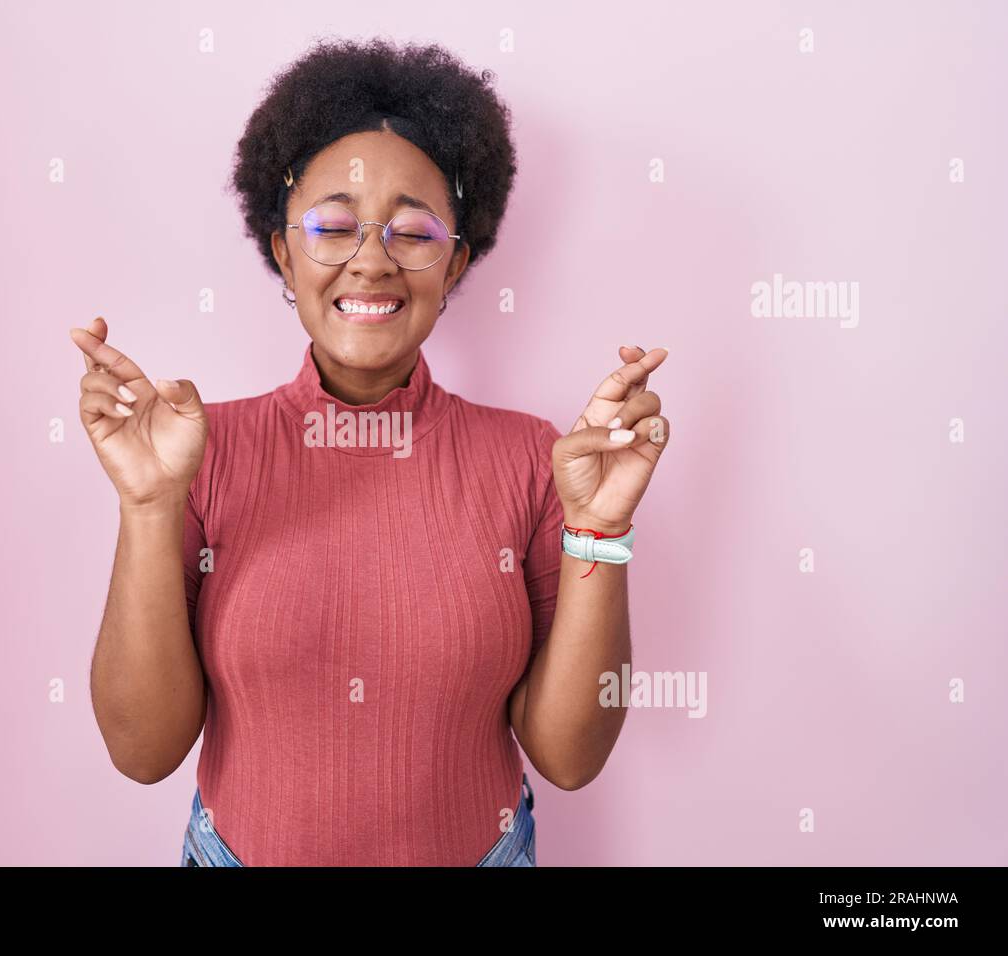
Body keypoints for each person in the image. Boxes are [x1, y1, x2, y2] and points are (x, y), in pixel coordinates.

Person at [71, 36, 671, 866]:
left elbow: (570, 758)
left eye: (413, 232)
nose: (372, 261)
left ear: (456, 262)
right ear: (283, 249)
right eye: (335, 226)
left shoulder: (536, 460)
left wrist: (600, 528)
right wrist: (147, 504)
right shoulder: (198, 453)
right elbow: (143, 752)